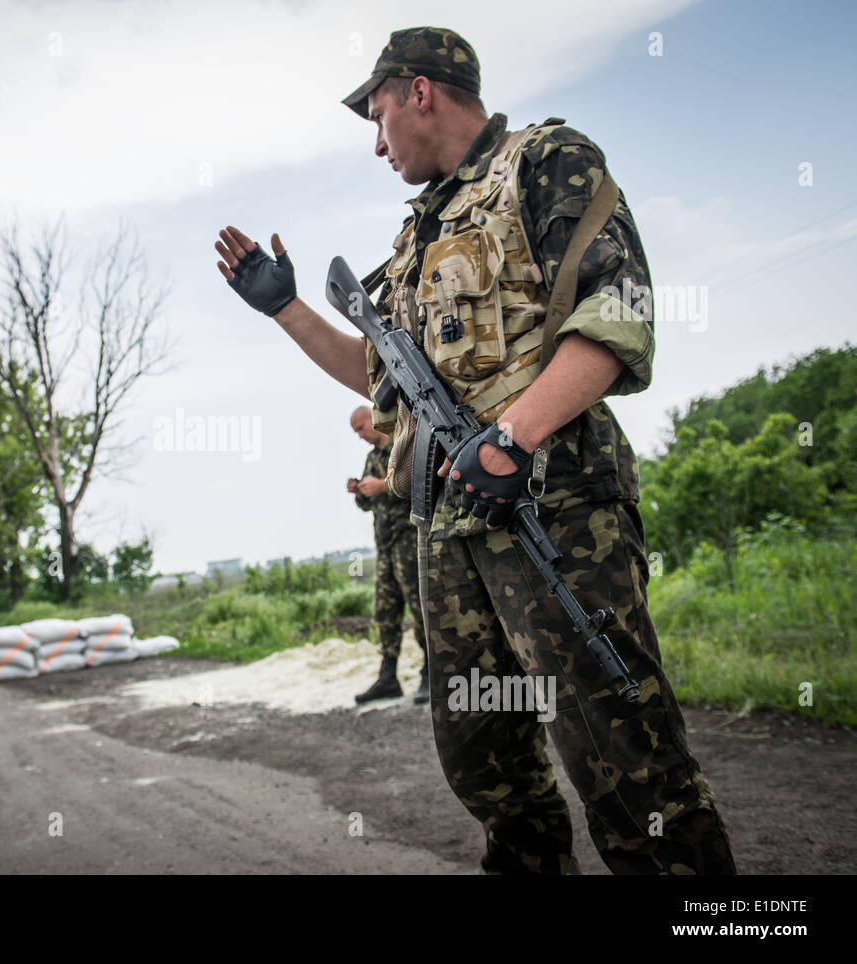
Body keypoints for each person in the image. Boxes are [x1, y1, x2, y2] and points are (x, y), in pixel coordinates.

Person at [212, 26, 736, 874]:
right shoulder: (417, 236)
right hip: (450, 533)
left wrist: (513, 438)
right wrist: (286, 309)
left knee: (624, 757)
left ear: (420, 91)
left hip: (553, 510)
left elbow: (617, 307)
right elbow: (378, 375)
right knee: (485, 762)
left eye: (378, 115)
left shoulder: (545, 161)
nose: (376, 142)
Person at [348, 405, 427, 704]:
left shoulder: (400, 446)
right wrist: (361, 493)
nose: (359, 435)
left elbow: (416, 486)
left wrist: (383, 486)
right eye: (355, 430)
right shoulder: (372, 458)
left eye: (360, 427)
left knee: (420, 609)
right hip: (385, 545)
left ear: (373, 420)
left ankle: (431, 674)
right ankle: (388, 677)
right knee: (385, 612)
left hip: (408, 540)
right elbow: (370, 504)